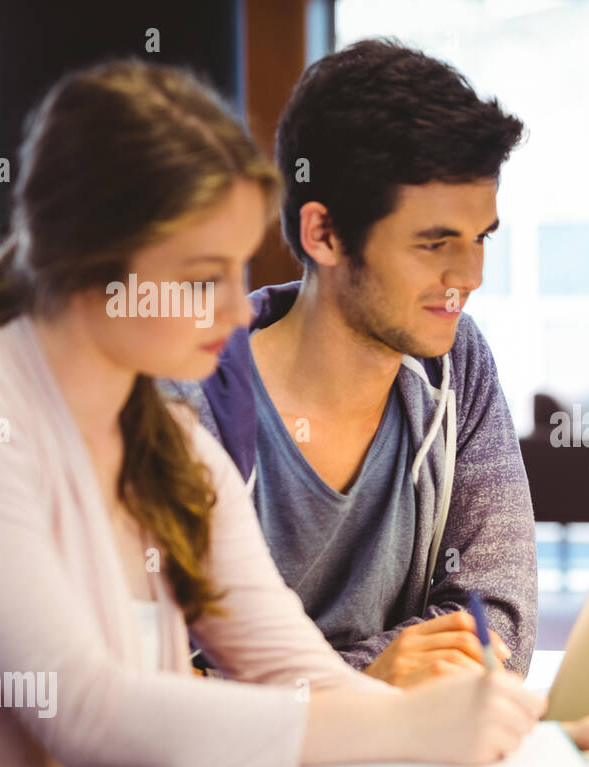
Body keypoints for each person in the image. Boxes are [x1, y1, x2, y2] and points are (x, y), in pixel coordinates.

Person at [0, 60, 589, 767]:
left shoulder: (163, 444)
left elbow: (300, 673)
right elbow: (80, 707)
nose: (230, 306)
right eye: (200, 276)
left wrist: (555, 737)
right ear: (92, 266)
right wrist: (410, 720)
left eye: (234, 267)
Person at [163, 39, 538, 688]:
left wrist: (341, 685)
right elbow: (165, 683)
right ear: (324, 234)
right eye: (435, 243)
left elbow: (498, 627)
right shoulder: (192, 393)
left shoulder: (458, 364)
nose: (469, 276)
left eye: (480, 239)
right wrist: (375, 678)